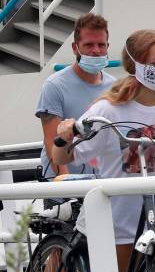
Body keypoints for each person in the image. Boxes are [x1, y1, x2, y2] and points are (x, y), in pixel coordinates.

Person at [53, 29, 155, 272]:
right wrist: (64, 135)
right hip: (123, 219)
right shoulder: (109, 109)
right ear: (135, 65)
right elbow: (62, 154)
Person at [36, 13, 115, 179]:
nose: (96, 50)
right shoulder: (54, 86)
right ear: (75, 48)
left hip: (103, 182)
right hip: (65, 186)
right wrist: (67, 184)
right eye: (88, 45)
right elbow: (51, 141)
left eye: (102, 45)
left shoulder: (114, 87)